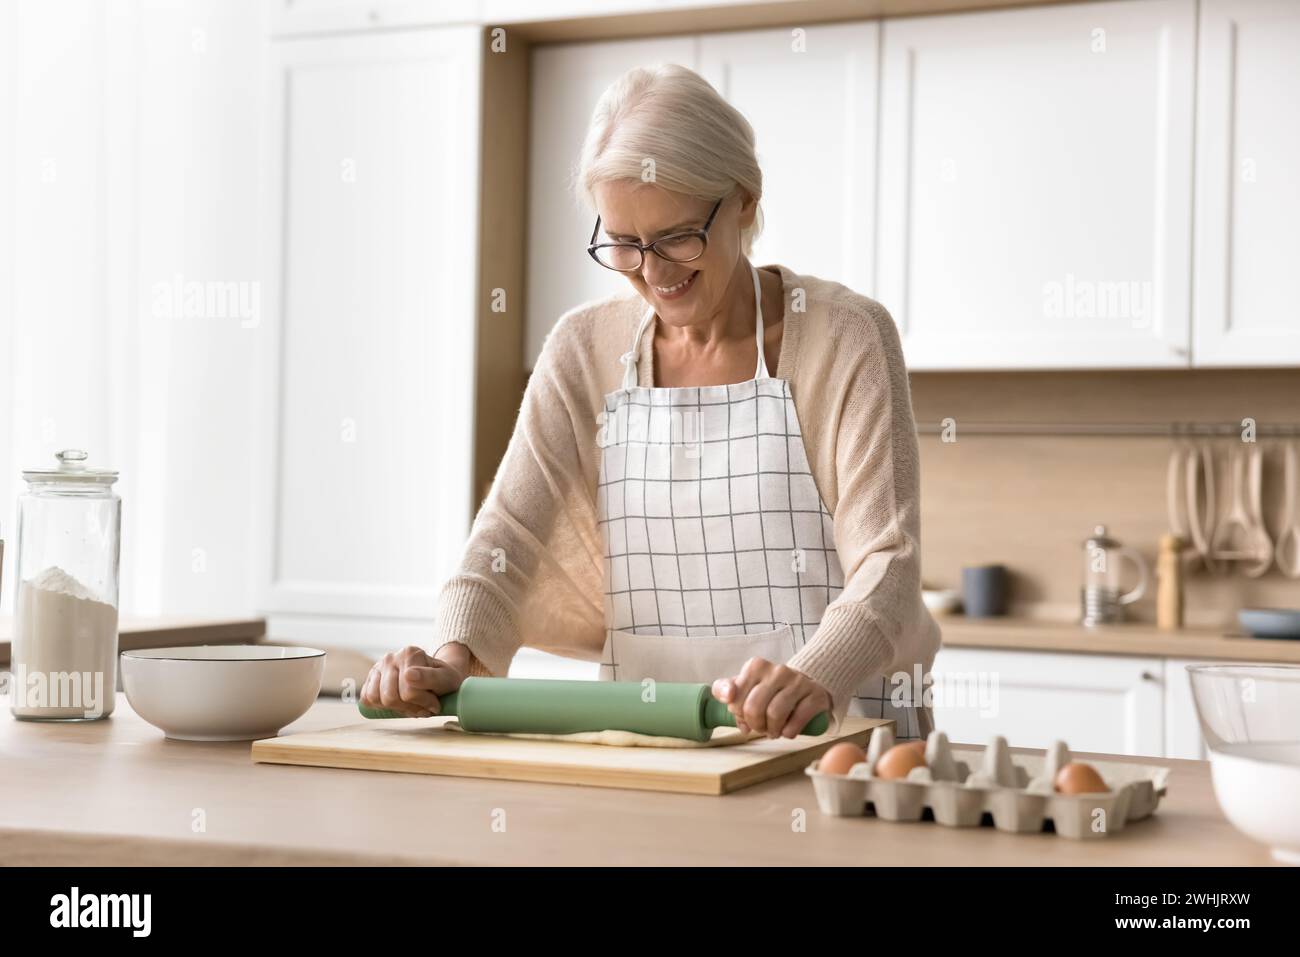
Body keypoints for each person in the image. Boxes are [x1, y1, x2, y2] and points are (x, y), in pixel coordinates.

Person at [361, 63, 941, 740]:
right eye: (626, 245)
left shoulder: (846, 337)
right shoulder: (582, 350)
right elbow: (507, 540)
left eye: (676, 238)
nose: (654, 272)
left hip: (835, 739)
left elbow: (889, 561)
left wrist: (813, 674)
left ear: (745, 200)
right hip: (655, 747)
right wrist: (453, 655)